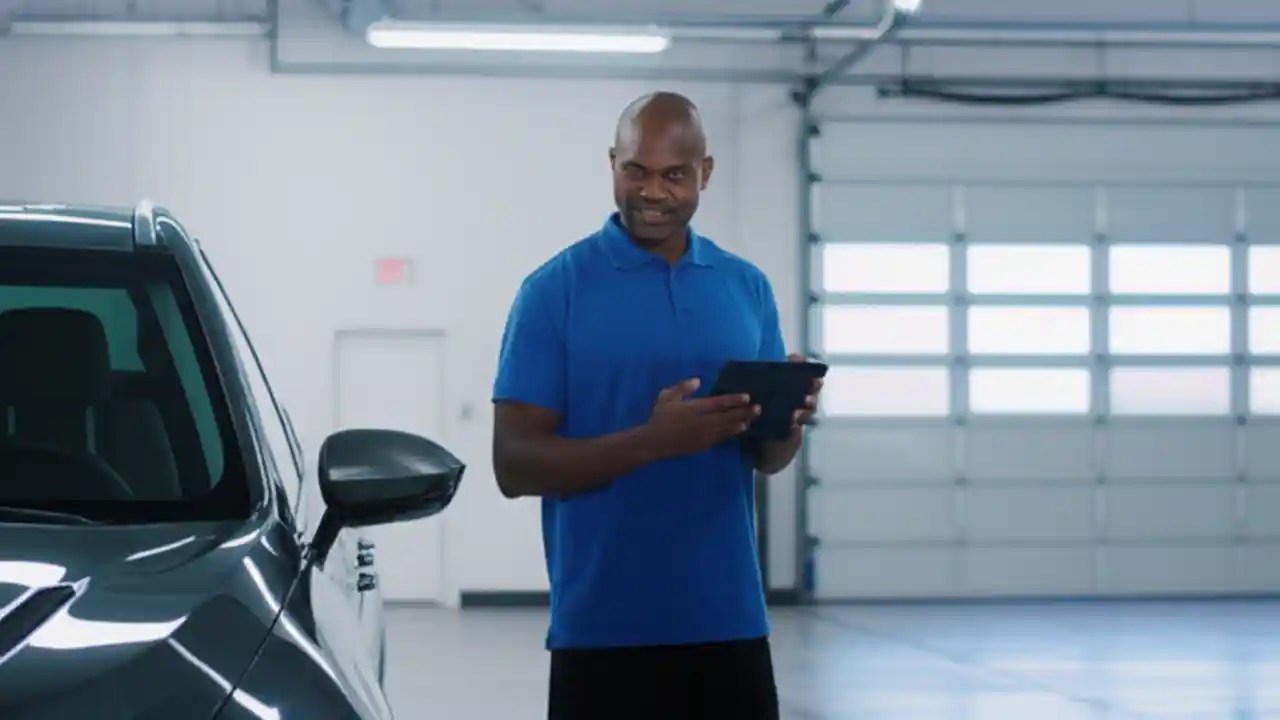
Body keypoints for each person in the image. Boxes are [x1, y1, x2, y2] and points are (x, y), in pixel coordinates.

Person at [491, 91, 822, 720]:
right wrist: (654, 440)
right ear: (612, 163)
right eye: (635, 171)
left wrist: (789, 420)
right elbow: (514, 465)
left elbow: (768, 459)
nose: (653, 192)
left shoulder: (745, 287)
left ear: (706, 172)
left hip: (728, 623)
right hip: (603, 630)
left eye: (675, 174)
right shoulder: (551, 292)